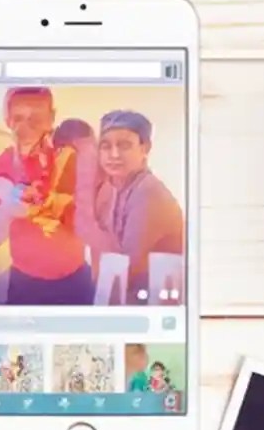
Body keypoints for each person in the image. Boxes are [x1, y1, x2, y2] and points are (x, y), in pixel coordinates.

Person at [0, 87, 93, 305]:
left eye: (36, 118)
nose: (26, 128)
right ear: (8, 121)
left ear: (51, 118)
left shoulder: (73, 157)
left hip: (78, 281)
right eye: (18, 118)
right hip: (25, 286)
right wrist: (5, 212)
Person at [70, 110, 184, 305]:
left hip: (152, 306)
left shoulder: (149, 193)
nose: (114, 155)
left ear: (145, 148)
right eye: (106, 146)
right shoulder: (111, 187)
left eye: (124, 145)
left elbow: (122, 269)